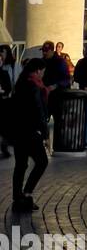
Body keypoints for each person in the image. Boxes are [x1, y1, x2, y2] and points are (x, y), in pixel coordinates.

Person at [8, 60, 49, 211]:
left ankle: (17, 196)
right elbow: (39, 111)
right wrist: (45, 134)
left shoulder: (21, 83)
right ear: (38, 70)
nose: (43, 74)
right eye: (43, 71)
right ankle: (27, 193)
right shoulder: (35, 86)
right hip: (31, 132)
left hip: (18, 131)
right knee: (42, 161)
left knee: (20, 165)